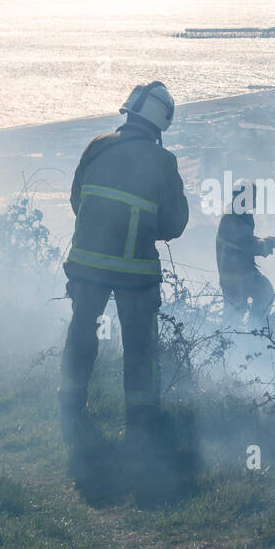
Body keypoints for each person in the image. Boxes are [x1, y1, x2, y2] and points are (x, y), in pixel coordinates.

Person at [59, 81, 191, 504]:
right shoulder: (163, 161)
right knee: (139, 348)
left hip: (86, 265)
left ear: (130, 112)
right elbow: (173, 225)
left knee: (82, 333)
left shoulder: (96, 145)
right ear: (161, 124)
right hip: (134, 273)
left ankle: (71, 404)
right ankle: (141, 424)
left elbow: (77, 199)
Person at [215, 180, 275, 327]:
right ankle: (253, 331)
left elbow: (248, 240)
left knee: (263, 294)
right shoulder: (232, 219)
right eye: (253, 197)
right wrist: (271, 243)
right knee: (236, 313)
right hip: (235, 279)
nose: (255, 201)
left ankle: (253, 330)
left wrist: (272, 240)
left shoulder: (238, 215)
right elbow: (250, 245)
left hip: (242, 275)